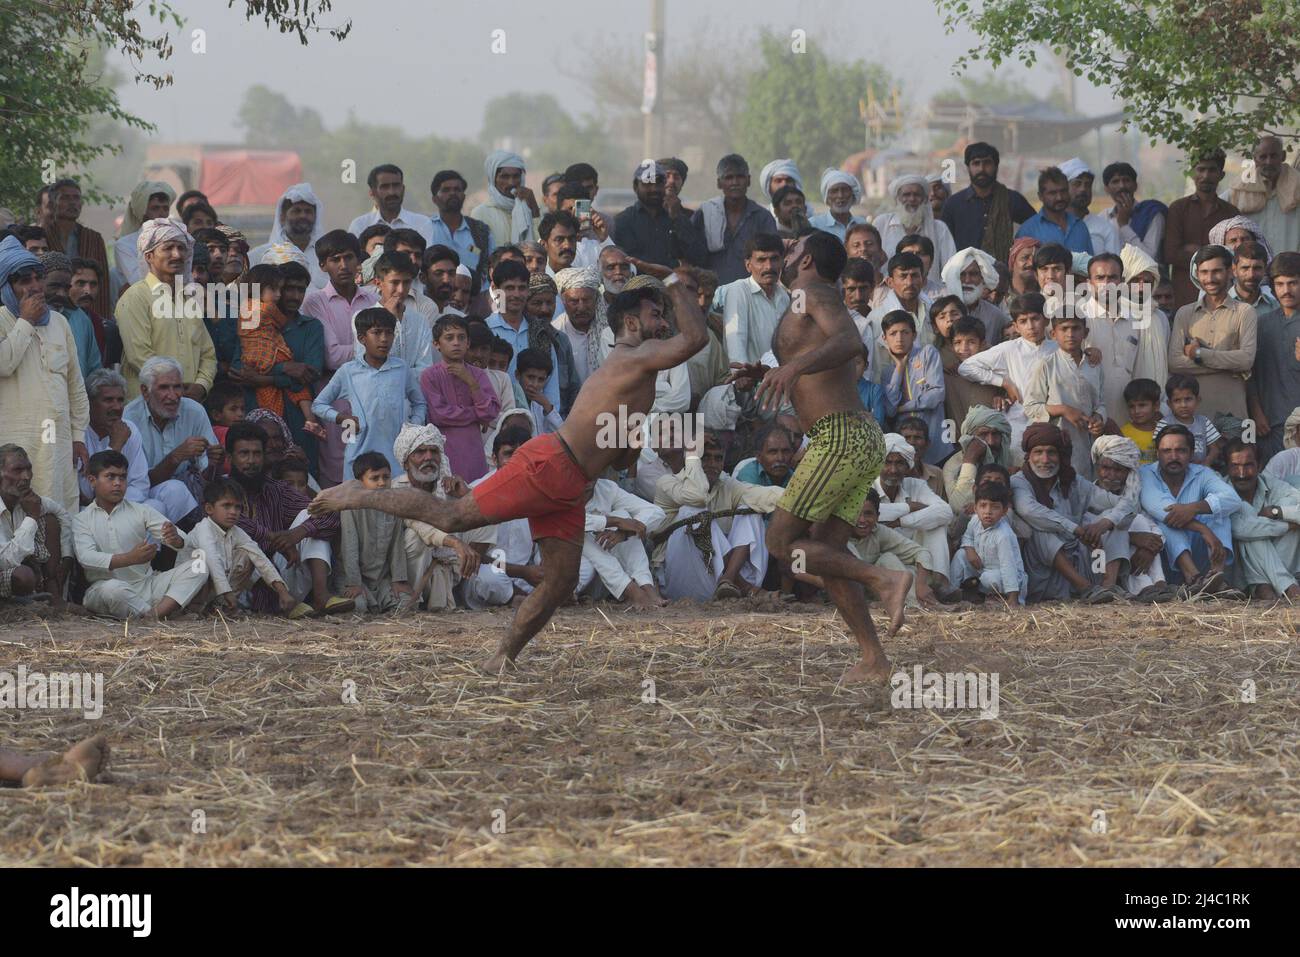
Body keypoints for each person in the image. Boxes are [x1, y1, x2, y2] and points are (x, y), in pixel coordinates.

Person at [309, 272, 711, 674]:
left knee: (559, 582)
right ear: (633, 323)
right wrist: (676, 280)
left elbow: (621, 458)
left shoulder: (641, 368)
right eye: (657, 314)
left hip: (572, 482)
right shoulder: (634, 355)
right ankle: (355, 495)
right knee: (452, 515)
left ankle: (502, 658)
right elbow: (696, 339)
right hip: (550, 464)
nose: (664, 322)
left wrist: (627, 441)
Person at [731, 230, 914, 683]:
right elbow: (818, 355)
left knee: (780, 543)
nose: (785, 253)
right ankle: (874, 657)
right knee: (824, 554)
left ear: (806, 257)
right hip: (854, 436)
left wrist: (792, 368)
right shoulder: (802, 299)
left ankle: (884, 579)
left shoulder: (813, 291)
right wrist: (776, 371)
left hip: (840, 436)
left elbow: (851, 341)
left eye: (792, 249)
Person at [224, 421, 353, 615]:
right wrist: (277, 540)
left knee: (311, 515)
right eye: (244, 454)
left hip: (285, 583)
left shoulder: (277, 490)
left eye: (257, 454)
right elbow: (236, 525)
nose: (251, 461)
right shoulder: (219, 491)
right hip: (239, 586)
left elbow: (330, 513)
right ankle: (286, 603)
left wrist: (296, 534)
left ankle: (321, 597)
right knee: (246, 547)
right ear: (230, 457)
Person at [0, 236, 90, 511]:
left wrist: (78, 437)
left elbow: (75, 385)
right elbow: (4, 364)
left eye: (38, 277)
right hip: (16, 437)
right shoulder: (2, 320)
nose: (35, 286)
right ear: (7, 287)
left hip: (58, 438)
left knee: (58, 504)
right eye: (24, 280)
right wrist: (25, 320)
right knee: (15, 508)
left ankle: (59, 556)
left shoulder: (60, 323)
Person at [650, 430, 784, 601]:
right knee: (693, 512)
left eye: (718, 458)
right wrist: (692, 452)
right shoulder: (667, 483)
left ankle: (729, 579)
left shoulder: (727, 485)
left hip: (719, 581)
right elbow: (696, 496)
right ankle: (744, 586)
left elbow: (768, 496)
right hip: (681, 580)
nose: (712, 464)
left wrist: (808, 494)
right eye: (705, 458)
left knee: (751, 509)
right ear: (692, 459)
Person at [72, 450, 206, 619]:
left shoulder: (141, 510)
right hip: (105, 590)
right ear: (92, 480)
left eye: (122, 477)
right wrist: (130, 558)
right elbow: (86, 558)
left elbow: (183, 541)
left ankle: (152, 615)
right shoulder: (82, 519)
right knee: (113, 590)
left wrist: (176, 539)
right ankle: (156, 615)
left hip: (148, 586)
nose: (118, 483)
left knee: (199, 566)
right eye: (110, 477)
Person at [1011, 424, 1134, 603]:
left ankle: (1108, 588)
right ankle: (1085, 588)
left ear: (1060, 456)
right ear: (1029, 456)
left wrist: (1105, 523)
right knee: (1040, 528)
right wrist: (1075, 529)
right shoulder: (1018, 482)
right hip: (1046, 577)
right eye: (1038, 452)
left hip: (1084, 564)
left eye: (1051, 452)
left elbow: (1128, 505)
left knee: (1114, 520)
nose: (1045, 459)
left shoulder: (1074, 483)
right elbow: (1029, 510)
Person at [311, 307, 426, 478]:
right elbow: (318, 404)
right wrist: (342, 418)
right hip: (359, 454)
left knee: (393, 500)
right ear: (362, 338)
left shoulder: (401, 368)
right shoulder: (348, 371)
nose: (384, 339)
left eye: (389, 333)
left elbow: (420, 403)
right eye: (377, 333)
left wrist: (412, 428)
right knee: (357, 501)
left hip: (396, 457)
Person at [303, 229, 377, 486]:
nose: (343, 265)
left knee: (375, 464)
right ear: (323, 265)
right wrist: (372, 350)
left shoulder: (374, 299)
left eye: (349, 257)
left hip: (373, 395)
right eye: (335, 259)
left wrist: (373, 350)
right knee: (338, 468)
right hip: (335, 400)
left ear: (359, 261)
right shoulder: (315, 303)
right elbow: (331, 357)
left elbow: (388, 351)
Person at [115, 219, 216, 401]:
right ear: (149, 256)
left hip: (189, 405)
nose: (177, 255)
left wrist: (201, 385)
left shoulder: (188, 299)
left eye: (181, 248)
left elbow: (208, 355)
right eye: (168, 248)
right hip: (147, 405)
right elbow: (140, 357)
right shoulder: (135, 297)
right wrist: (175, 388)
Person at [82, 368, 197, 523]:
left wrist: (121, 507)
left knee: (173, 492)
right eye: (108, 400)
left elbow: (140, 484)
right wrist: (115, 446)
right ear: (89, 403)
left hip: (124, 501)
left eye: (120, 400)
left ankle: (166, 546)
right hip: (88, 510)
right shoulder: (78, 433)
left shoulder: (129, 428)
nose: (117, 407)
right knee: (150, 511)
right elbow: (88, 491)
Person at [1139, 424, 1241, 594]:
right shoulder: (1145, 473)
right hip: (1164, 565)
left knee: (1219, 514)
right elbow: (1163, 509)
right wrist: (1202, 529)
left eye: (1181, 450)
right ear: (1157, 453)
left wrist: (1193, 508)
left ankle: (1215, 578)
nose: (1173, 457)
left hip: (1201, 556)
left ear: (1192, 453)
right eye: (1166, 451)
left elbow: (1232, 499)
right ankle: (1193, 578)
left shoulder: (1202, 473)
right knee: (1166, 521)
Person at [189, 477, 308, 618]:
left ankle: (220, 607)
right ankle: (193, 610)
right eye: (226, 506)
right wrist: (227, 592)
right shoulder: (203, 529)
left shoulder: (237, 532)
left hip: (217, 592)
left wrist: (282, 591)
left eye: (237, 507)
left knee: (248, 554)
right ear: (209, 508)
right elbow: (212, 560)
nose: (233, 512)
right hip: (191, 592)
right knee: (203, 562)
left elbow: (260, 558)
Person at [1167, 245, 1257, 419]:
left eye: (1216, 271)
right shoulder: (1185, 313)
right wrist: (1228, 366)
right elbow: (1175, 363)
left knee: (1241, 447)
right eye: (1204, 272)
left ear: (1230, 271)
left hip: (1234, 413)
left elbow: (1246, 360)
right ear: (1197, 274)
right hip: (1193, 418)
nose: (1210, 278)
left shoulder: (1245, 312)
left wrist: (1198, 353)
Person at [1079, 252, 1169, 426]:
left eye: (1112, 277)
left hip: (1128, 420)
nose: (1106, 284)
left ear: (1121, 282)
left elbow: (1141, 369)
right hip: (1089, 418)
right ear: (1089, 284)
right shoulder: (1079, 319)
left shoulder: (1135, 320)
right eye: (1100, 278)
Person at [958, 292, 1057, 448]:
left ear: (1046, 319)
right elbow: (966, 367)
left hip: (1053, 420)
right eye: (1023, 321)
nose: (1030, 326)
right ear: (1016, 326)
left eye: (1035, 319)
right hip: (1019, 422)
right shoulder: (1009, 349)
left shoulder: (1057, 349)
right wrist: (1003, 383)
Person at [123, 355, 222, 507]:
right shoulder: (129, 419)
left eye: (177, 387)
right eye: (163, 387)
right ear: (145, 391)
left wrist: (214, 463)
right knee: (173, 490)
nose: (173, 396)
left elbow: (206, 474)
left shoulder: (195, 411)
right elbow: (136, 483)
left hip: (189, 491)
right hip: (142, 496)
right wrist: (175, 457)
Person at [1087, 435, 1175, 602]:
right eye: (1106, 467)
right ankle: (1146, 587)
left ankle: (1157, 585)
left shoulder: (1134, 494)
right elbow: (1092, 531)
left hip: (1131, 560)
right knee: (1126, 522)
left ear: (1128, 471)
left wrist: (1149, 547)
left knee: (1140, 522)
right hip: (1098, 564)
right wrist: (1133, 538)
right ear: (1097, 466)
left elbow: (1153, 526)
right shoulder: (1089, 494)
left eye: (1118, 470)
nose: (1111, 475)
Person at [1023, 311, 1106, 479]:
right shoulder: (1046, 365)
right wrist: (1063, 410)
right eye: (1064, 329)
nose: (1070, 334)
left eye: (1076, 328)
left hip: (1086, 442)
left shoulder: (1094, 365)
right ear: (1054, 334)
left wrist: (1099, 417)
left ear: (1085, 333)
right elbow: (1030, 407)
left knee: (1084, 486)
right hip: (1056, 443)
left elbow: (1100, 402)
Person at [873, 433, 955, 596]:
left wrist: (901, 522)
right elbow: (872, 514)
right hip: (880, 553)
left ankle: (940, 584)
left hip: (914, 552)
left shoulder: (915, 485)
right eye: (887, 463)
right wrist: (908, 507)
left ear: (908, 465)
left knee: (937, 526)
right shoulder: (869, 487)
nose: (893, 470)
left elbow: (945, 512)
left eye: (899, 463)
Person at [421, 314, 499, 483]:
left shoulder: (477, 375)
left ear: (468, 343)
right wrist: (475, 414)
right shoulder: (430, 376)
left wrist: (471, 383)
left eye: (461, 337)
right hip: (444, 449)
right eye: (449, 338)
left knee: (475, 494)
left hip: (473, 450)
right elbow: (439, 415)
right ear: (436, 344)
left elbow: (490, 412)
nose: (456, 342)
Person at [337, 452, 415, 615]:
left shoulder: (394, 504)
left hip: (381, 578)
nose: (381, 483)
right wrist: (354, 582)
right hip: (354, 578)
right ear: (360, 482)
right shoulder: (351, 507)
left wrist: (398, 579)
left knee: (406, 604)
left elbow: (396, 544)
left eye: (386, 477)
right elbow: (349, 546)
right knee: (357, 606)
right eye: (374, 478)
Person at [1224, 438, 1300, 602]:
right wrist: (1287, 526)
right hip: (1239, 574)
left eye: (1248, 465)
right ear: (1227, 468)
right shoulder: (1222, 490)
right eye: (1235, 466)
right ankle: (1288, 586)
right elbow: (1239, 529)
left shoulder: (1274, 485)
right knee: (1248, 528)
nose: (1242, 474)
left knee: (1287, 508)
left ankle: (1262, 585)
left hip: (1271, 569)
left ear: (1259, 466)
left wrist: (1277, 511)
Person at [1164, 150, 1239, 309]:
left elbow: (1234, 257)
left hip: (1222, 295)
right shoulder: (1178, 209)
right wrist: (1215, 254)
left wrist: (1193, 251)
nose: (1206, 175)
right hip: (1185, 294)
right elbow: (1171, 254)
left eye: (1212, 170)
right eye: (1201, 169)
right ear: (1192, 173)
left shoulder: (1231, 213)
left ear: (1221, 175)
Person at [0, 444, 70, 609]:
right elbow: (6, 561)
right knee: (23, 575)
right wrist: (31, 517)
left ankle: (53, 595)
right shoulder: (30, 505)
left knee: (50, 520)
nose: (26, 476)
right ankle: (11, 604)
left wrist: (67, 557)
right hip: (6, 567)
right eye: (17, 470)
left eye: (28, 469)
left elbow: (63, 516)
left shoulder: (27, 500)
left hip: (17, 565)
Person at [692, 154, 780, 285]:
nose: (734, 182)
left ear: (748, 180)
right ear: (719, 183)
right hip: (711, 295)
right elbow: (691, 253)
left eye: (740, 177)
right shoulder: (706, 213)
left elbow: (772, 258)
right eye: (728, 177)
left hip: (750, 294)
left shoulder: (762, 217)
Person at [577, 478, 666, 607]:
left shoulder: (605, 488)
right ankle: (633, 592)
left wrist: (623, 533)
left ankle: (645, 586)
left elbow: (656, 513)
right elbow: (567, 521)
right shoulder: (558, 488)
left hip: (604, 580)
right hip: (575, 572)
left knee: (622, 514)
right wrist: (614, 521)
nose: (587, 477)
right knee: (582, 536)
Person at [940, 142, 1035, 262]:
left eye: (987, 163)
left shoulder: (1011, 199)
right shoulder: (954, 204)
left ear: (996, 166)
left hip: (1003, 275)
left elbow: (1036, 228)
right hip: (964, 275)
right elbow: (944, 245)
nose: (981, 169)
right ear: (968, 167)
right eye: (976, 163)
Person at [1248, 252, 1300, 464]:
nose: (1286, 290)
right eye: (1280, 284)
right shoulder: (1262, 323)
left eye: (1293, 283)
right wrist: (1256, 411)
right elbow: (1249, 374)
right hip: (1271, 423)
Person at [614, 159, 707, 272]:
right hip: (638, 287)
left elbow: (699, 257)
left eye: (658, 183)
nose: (654, 189)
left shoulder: (683, 217)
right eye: (647, 183)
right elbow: (626, 263)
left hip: (676, 287)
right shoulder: (624, 221)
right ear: (635, 186)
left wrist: (677, 218)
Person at [879, 311, 946, 463]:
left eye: (905, 332)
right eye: (893, 334)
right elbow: (890, 409)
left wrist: (904, 408)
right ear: (884, 338)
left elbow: (937, 394)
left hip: (934, 442)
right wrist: (899, 367)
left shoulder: (928, 353)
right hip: (904, 449)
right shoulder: (887, 372)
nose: (899, 339)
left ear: (914, 335)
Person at [949, 482, 1027, 606]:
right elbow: (968, 536)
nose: (988, 512)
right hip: (982, 568)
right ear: (975, 508)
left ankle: (1002, 598)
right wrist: (970, 550)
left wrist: (1013, 598)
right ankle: (951, 592)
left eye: (995, 507)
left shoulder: (1003, 535)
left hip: (1002, 577)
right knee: (961, 554)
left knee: (989, 578)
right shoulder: (975, 520)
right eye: (983, 506)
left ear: (1004, 511)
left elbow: (1008, 567)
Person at [721, 233, 791, 366]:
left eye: (774, 259)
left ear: (782, 262)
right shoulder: (738, 290)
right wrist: (741, 373)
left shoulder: (784, 296)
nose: (769, 267)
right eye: (761, 260)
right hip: (751, 379)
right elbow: (735, 337)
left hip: (780, 377)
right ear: (748, 265)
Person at [44, 179, 110, 318]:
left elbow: (102, 284)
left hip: (85, 310)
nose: (72, 202)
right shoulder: (43, 236)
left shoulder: (93, 238)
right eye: (65, 198)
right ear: (52, 203)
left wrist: (101, 319)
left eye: (76, 198)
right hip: (51, 309)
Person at [429, 170, 496, 306]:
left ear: (464, 196)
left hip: (474, 302)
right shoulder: (426, 228)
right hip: (435, 302)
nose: (453, 193)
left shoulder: (480, 232)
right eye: (446, 190)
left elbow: (491, 268)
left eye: (457, 189)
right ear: (435, 199)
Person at [874, 174, 956, 284]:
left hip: (932, 295)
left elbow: (951, 267)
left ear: (925, 199)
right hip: (888, 295)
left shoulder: (939, 228)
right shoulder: (882, 223)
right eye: (906, 195)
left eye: (917, 195)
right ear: (897, 198)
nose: (912, 199)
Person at [1226, 135, 1300, 257]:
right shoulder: (1239, 189)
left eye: (1273, 156)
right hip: (1252, 267)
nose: (1269, 162)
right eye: (1263, 157)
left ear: (1283, 156)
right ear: (1255, 159)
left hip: (1291, 266)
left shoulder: (1297, 186)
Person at [941, 405, 1017, 518]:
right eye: (983, 434)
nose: (990, 442)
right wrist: (969, 461)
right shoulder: (953, 465)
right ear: (970, 437)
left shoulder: (1013, 458)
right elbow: (959, 507)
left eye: (995, 434)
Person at [249, 183, 327, 288]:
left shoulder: (326, 257)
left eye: (308, 211)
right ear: (282, 217)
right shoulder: (259, 255)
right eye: (297, 211)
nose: (303, 215)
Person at [939, 247, 1010, 346]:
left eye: (973, 274)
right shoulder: (939, 312)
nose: (967, 280)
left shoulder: (995, 316)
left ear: (982, 278)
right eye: (962, 274)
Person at [1016, 167, 1094, 255]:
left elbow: (1089, 264)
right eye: (1053, 193)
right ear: (1040, 196)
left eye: (1063, 191)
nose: (1059, 197)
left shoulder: (1079, 226)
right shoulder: (1028, 230)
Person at [348, 164, 434, 244]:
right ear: (372, 193)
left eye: (396, 185)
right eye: (384, 187)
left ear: (403, 189)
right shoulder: (360, 225)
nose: (391, 192)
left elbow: (427, 258)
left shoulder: (422, 223)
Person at [113, 181, 175, 287]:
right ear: (143, 211)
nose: (161, 214)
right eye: (155, 208)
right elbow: (138, 281)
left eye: (165, 208)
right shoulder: (124, 245)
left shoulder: (176, 240)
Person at [1101, 162, 1166, 262]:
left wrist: (1123, 225)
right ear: (1106, 189)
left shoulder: (1152, 214)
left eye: (1126, 180)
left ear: (1135, 185)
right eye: (1115, 182)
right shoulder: (1102, 218)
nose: (1122, 186)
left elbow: (1149, 258)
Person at [472, 151, 539, 247]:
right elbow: (477, 252)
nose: (511, 183)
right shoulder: (481, 213)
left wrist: (534, 209)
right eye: (504, 177)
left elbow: (541, 246)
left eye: (516, 176)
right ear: (493, 179)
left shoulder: (530, 208)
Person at [1157, 373, 1223, 466]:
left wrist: (1205, 464)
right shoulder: (1164, 424)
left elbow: (1214, 449)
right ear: (1169, 404)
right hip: (1173, 470)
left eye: (1188, 399)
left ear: (1198, 400)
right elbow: (1159, 450)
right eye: (1177, 400)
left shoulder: (1204, 422)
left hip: (1200, 470)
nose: (1183, 405)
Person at [1059, 158, 1119, 255]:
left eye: (1088, 185)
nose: (1083, 189)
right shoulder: (1050, 227)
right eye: (1077, 183)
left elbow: (1115, 267)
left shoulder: (1106, 229)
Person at [808, 169, 867, 242]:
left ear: (852, 194)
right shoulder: (814, 224)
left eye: (845, 190)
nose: (840, 195)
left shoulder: (862, 224)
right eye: (834, 191)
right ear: (827, 196)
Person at [734, 423, 795, 488]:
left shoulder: (795, 477)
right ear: (759, 456)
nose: (780, 458)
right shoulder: (748, 477)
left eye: (785, 451)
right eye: (773, 452)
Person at [1121, 378, 1164, 464]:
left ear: (1156, 405)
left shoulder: (1163, 430)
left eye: (1142, 405)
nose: (1136, 411)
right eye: (1131, 406)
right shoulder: (1123, 433)